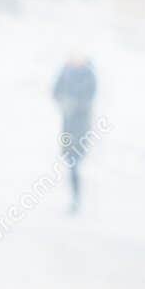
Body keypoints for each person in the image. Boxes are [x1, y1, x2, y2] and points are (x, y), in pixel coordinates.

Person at [52, 52, 97, 213]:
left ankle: (77, 198)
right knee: (68, 159)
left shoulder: (89, 75)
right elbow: (55, 92)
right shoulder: (65, 73)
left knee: (75, 161)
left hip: (82, 126)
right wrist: (64, 102)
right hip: (67, 126)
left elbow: (89, 97)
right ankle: (74, 197)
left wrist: (75, 104)